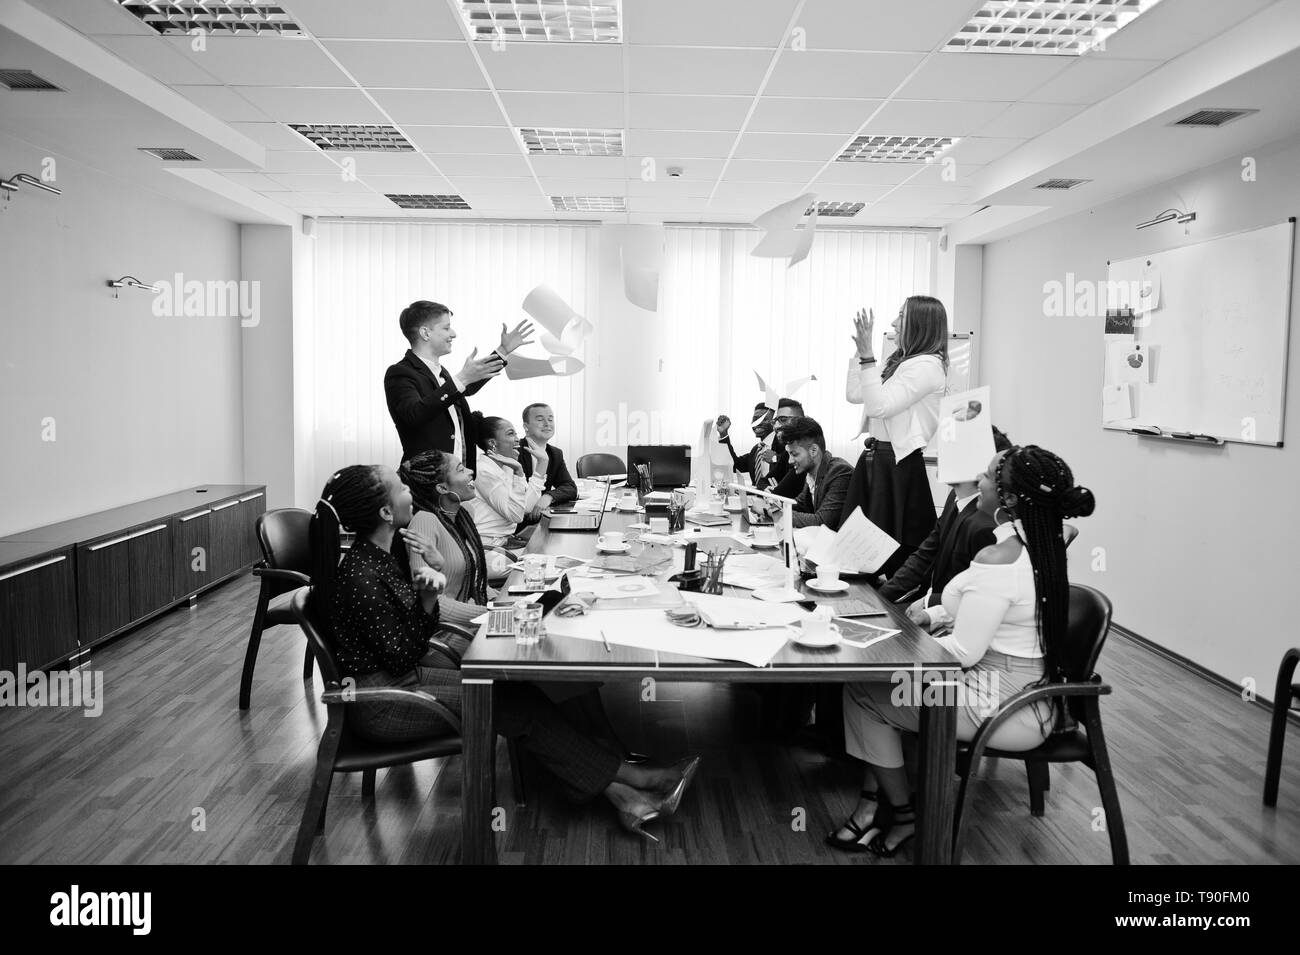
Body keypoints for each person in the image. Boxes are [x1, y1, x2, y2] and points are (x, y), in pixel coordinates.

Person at [309, 464, 699, 839]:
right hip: (383, 703)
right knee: (515, 705)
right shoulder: (363, 573)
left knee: (520, 692)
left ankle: (624, 793)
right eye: (401, 488)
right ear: (383, 511)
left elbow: (406, 641)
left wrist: (431, 585)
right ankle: (636, 778)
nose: (410, 491)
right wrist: (428, 595)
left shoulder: (379, 555)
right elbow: (402, 657)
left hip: (403, 682)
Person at [827, 446, 1096, 856]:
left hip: (997, 699)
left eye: (988, 476)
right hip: (1020, 691)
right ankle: (877, 807)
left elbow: (965, 651)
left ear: (1007, 498)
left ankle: (902, 813)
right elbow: (977, 608)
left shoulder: (999, 558)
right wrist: (932, 618)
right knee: (875, 688)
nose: (980, 480)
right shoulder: (1044, 544)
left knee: (865, 694)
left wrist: (902, 644)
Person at [842, 296, 949, 579]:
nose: (893, 322)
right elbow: (855, 395)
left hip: (897, 463)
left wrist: (868, 357)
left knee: (885, 553)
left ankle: (882, 608)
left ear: (919, 324)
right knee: (858, 549)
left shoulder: (927, 366)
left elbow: (879, 406)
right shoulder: (902, 361)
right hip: (878, 458)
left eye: (901, 316)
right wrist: (859, 354)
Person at [879, 426, 1013, 632]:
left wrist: (928, 604)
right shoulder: (955, 498)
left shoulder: (986, 526)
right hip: (932, 610)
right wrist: (880, 597)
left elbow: (974, 597)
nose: (941, 455)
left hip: (952, 623)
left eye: (951, 450)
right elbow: (924, 555)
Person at [383, 299, 535, 471]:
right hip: (427, 476)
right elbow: (414, 414)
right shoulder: (400, 372)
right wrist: (461, 379)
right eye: (446, 328)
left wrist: (503, 351)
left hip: (459, 474)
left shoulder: (441, 371)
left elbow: (465, 387)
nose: (453, 333)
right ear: (425, 333)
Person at [465, 412, 547, 550]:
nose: (517, 439)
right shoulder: (483, 470)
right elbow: (515, 515)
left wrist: (542, 463)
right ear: (492, 443)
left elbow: (526, 507)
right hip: (486, 547)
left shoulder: (506, 465)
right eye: (510, 434)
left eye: (516, 434)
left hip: (504, 542)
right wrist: (519, 473)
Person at [758, 417, 852, 530]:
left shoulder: (839, 472)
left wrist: (769, 511)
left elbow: (821, 522)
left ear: (813, 450)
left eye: (795, 454)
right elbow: (799, 504)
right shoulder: (812, 473)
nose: (790, 461)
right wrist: (773, 504)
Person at [517, 403, 577, 524]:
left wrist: (548, 497)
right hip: (517, 523)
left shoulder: (555, 453)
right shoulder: (515, 451)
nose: (547, 423)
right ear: (526, 426)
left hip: (540, 520)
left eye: (550, 419)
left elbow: (570, 487)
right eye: (540, 419)